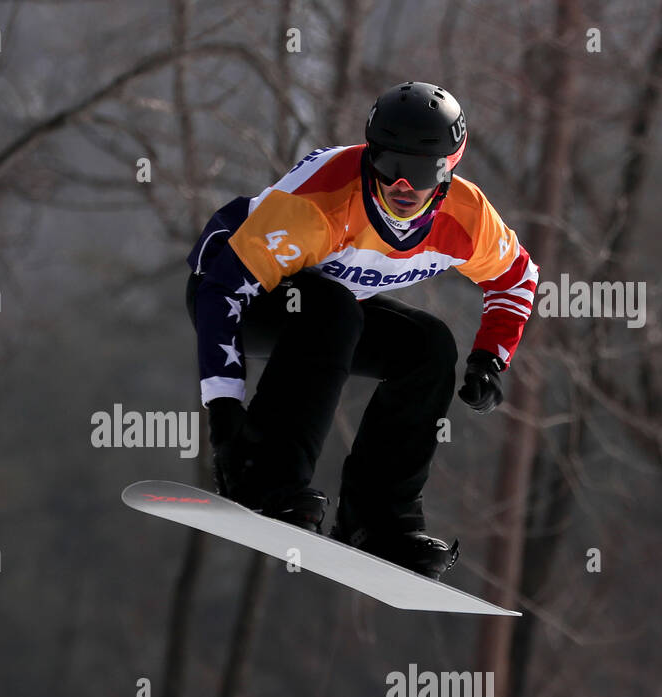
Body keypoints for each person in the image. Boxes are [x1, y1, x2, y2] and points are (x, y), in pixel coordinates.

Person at [184, 81, 538, 580]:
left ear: (448, 169)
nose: (401, 186)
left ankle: (377, 521)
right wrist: (224, 414)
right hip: (237, 298)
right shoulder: (320, 203)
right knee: (334, 308)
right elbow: (222, 292)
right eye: (388, 165)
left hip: (324, 320)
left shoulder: (467, 218)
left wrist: (490, 357)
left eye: (419, 172)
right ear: (369, 153)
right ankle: (264, 476)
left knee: (429, 347)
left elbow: (517, 277)